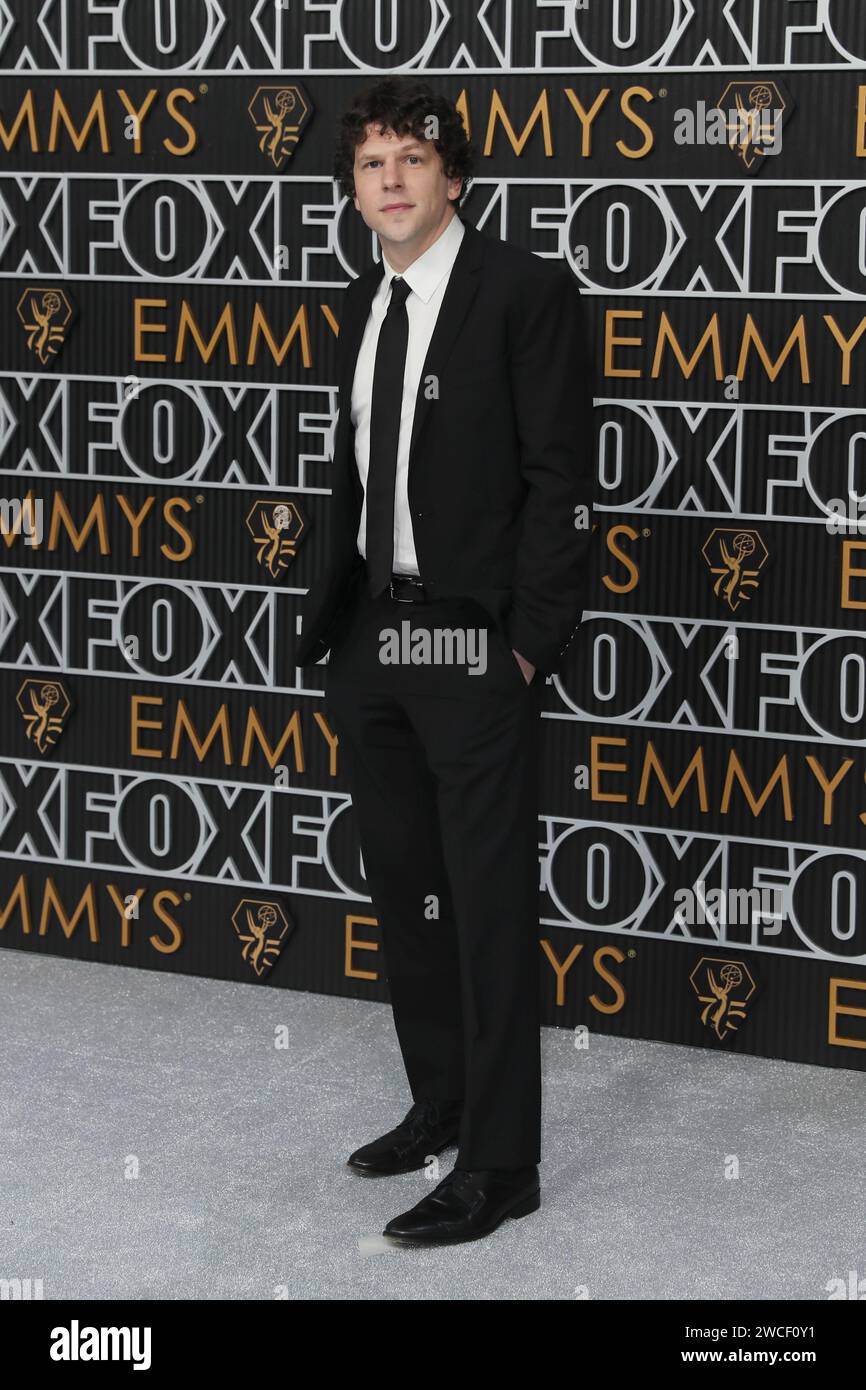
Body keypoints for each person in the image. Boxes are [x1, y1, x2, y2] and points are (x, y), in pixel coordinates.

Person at [295, 75, 596, 1247]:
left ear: (453, 179)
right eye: (370, 165)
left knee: (481, 907)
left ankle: (502, 1163)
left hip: (474, 643)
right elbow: (357, 478)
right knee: (406, 891)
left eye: (410, 161)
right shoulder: (361, 304)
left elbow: (559, 480)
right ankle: (439, 1105)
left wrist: (525, 648)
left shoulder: (522, 291)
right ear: (355, 192)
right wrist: (344, 631)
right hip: (378, 634)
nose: (389, 180)